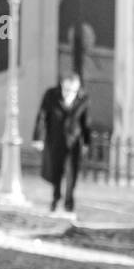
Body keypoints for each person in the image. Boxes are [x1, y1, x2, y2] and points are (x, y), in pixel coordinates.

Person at [32, 73, 91, 215]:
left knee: (72, 172)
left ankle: (69, 202)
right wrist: (38, 137)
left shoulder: (83, 98)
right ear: (62, 86)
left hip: (73, 141)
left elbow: (86, 122)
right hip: (55, 139)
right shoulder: (51, 95)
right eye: (67, 89)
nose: (69, 93)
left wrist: (86, 142)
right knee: (55, 170)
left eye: (73, 90)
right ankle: (56, 198)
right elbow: (42, 115)